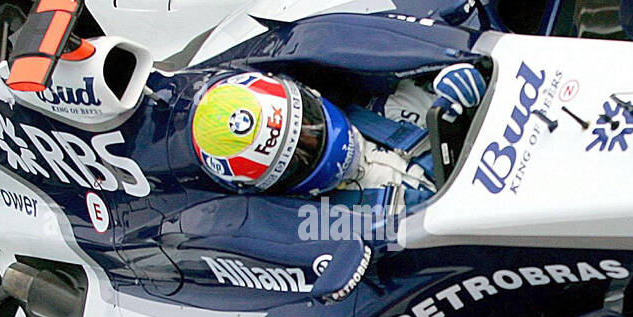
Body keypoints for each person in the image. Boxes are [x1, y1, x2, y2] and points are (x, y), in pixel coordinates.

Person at [188, 63, 486, 199]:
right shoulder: (339, 227)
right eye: (296, 157)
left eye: (308, 124)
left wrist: (478, 83)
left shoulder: (389, 104)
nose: (312, 140)